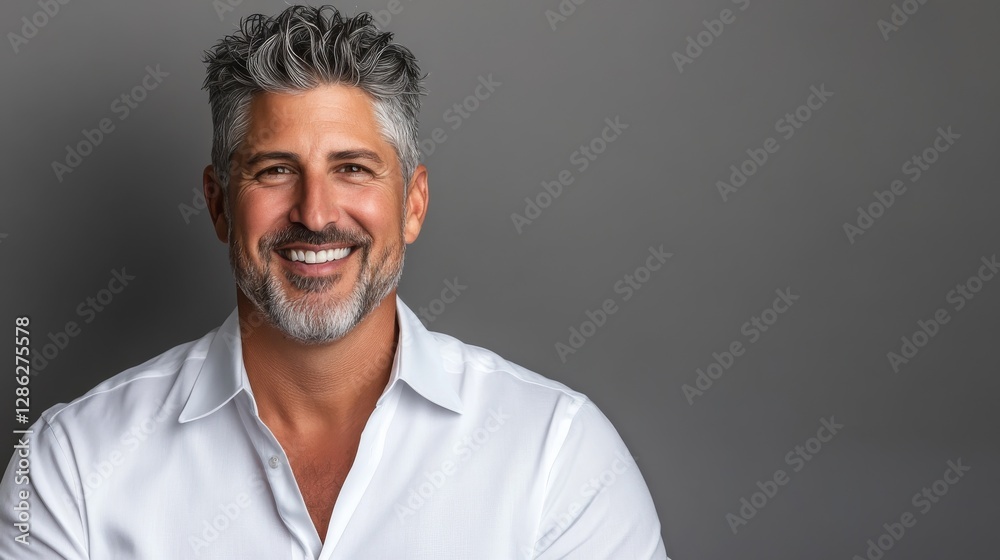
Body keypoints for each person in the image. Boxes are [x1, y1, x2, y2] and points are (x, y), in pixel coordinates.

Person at [0, 5, 667, 558]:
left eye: (352, 168)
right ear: (217, 204)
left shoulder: (558, 456)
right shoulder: (72, 469)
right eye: (274, 170)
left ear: (413, 204)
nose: (315, 214)